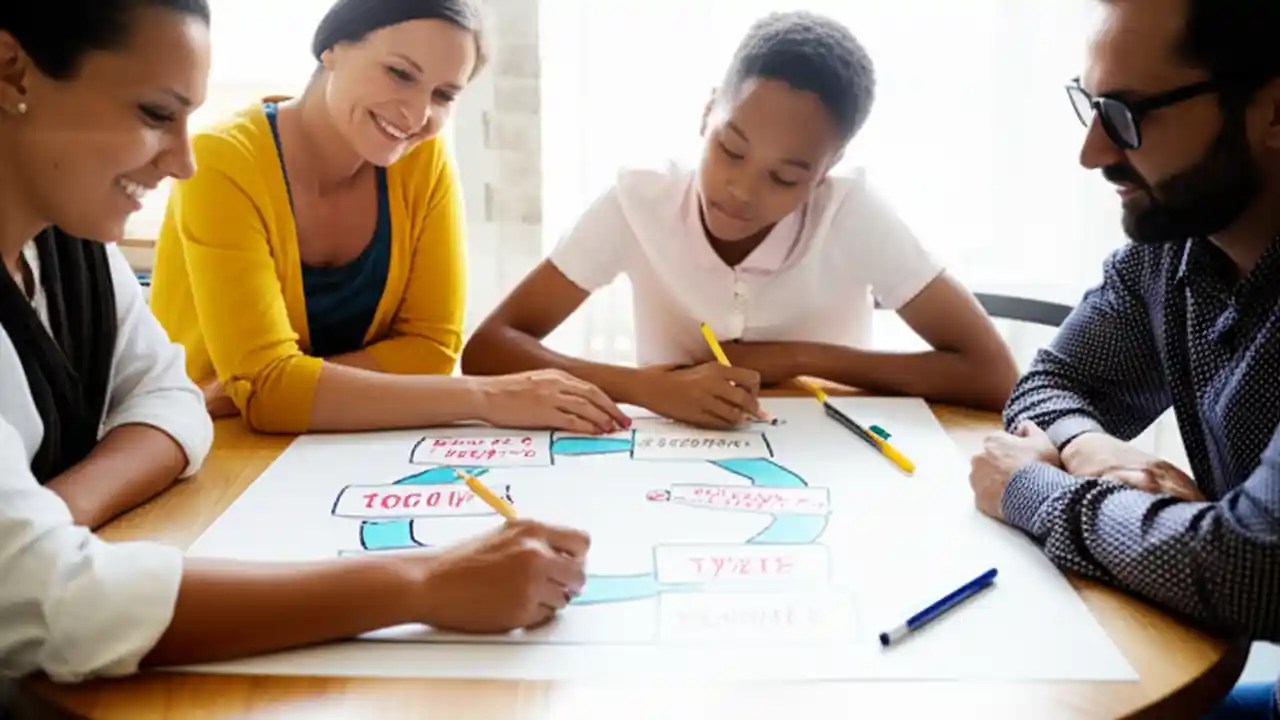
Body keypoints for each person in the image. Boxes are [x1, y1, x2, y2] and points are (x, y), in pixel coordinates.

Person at [0, 0, 590, 683]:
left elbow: (174, 400)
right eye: (156, 113)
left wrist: (50, 513)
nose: (184, 162)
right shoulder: (209, 168)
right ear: (13, 72)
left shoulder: (73, 244)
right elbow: (42, 594)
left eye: (444, 94)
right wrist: (421, 581)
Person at [461, 11, 1018, 430]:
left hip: (831, 459)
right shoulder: (638, 203)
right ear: (708, 112)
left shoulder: (851, 214)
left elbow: (995, 376)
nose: (742, 191)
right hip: (673, 459)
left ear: (826, 170)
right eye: (730, 149)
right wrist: (647, 389)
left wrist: (797, 358)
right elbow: (489, 349)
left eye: (785, 178)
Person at [966, 0, 1279, 716]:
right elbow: (1051, 383)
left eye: (1128, 114)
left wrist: (1029, 488)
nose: (1093, 152)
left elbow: (1253, 568)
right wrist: (1093, 448)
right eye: (1091, 104)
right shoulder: (1172, 248)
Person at [150, 0, 627, 436]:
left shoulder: (421, 161)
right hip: (209, 447)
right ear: (331, 48)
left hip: (335, 447)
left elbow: (431, 351)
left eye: (443, 95)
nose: (417, 115)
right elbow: (270, 394)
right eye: (400, 73)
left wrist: (287, 386)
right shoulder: (221, 161)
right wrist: (488, 396)